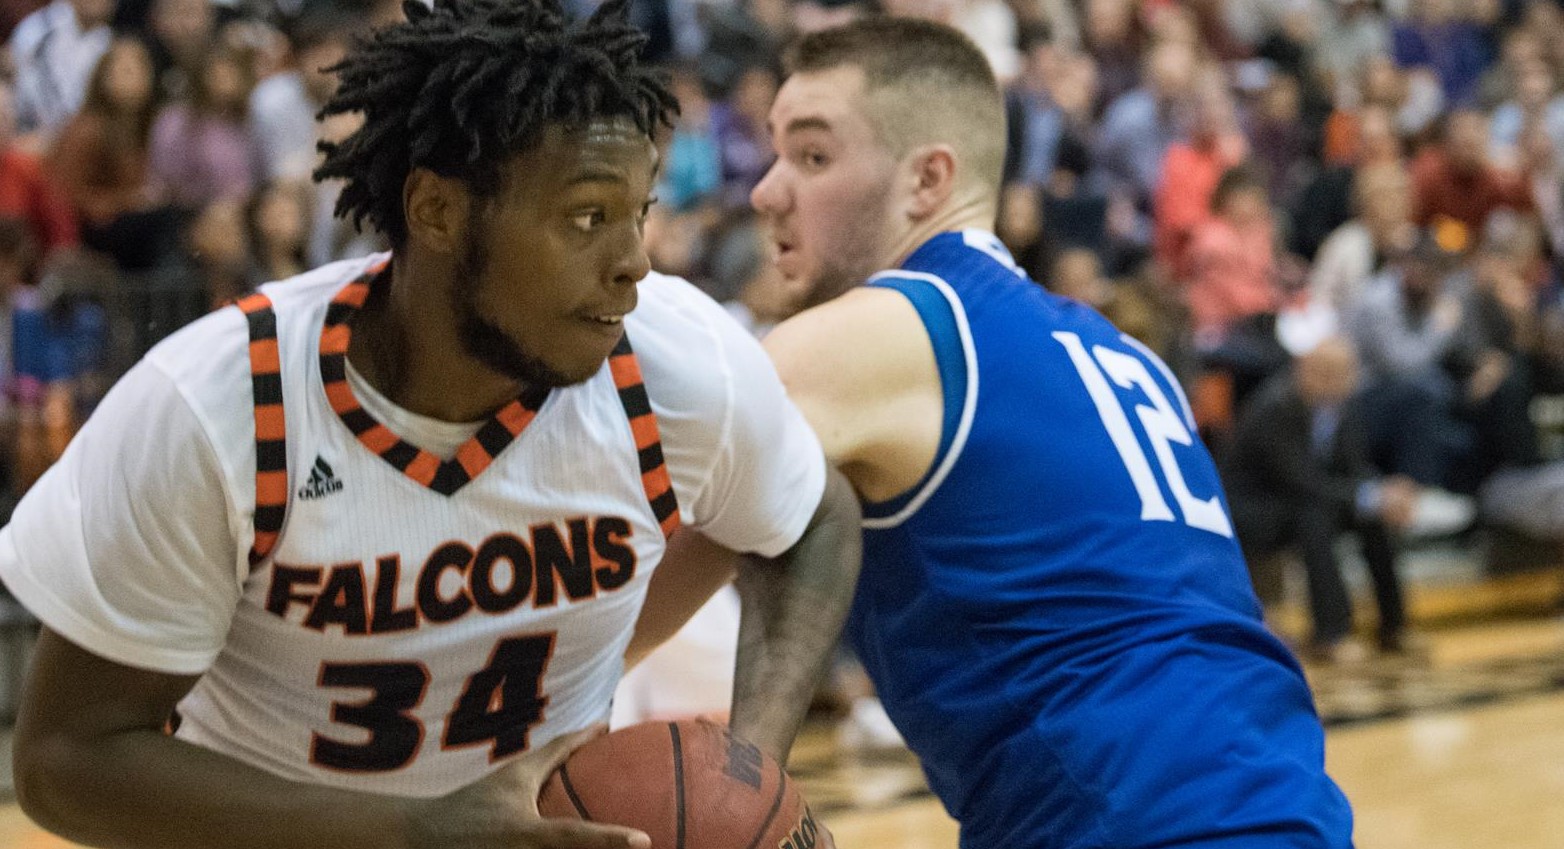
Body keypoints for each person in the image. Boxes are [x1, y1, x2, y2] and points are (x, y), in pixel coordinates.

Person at [0, 2, 862, 848]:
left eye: (638, 214)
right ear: (439, 211)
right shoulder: (219, 406)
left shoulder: (675, 360)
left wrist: (746, 773)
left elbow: (814, 519)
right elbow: (67, 758)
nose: (634, 261)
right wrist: (410, 831)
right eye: (587, 217)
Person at [744, 18, 1351, 848]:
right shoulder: (1120, 349)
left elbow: (621, 583)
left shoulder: (865, 336)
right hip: (1288, 804)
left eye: (812, 157)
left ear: (927, 180)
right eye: (772, 151)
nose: (765, 190)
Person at [1222, 337, 1419, 661]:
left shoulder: (1344, 407)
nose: (1331, 380)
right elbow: (1299, 481)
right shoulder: (1274, 407)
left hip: (1307, 500)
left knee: (1373, 520)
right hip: (1255, 511)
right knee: (1314, 519)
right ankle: (1331, 634)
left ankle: (1394, 628)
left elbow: (1353, 469)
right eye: (1322, 371)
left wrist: (1384, 494)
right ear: (1301, 370)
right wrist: (1368, 497)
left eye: (1340, 373)